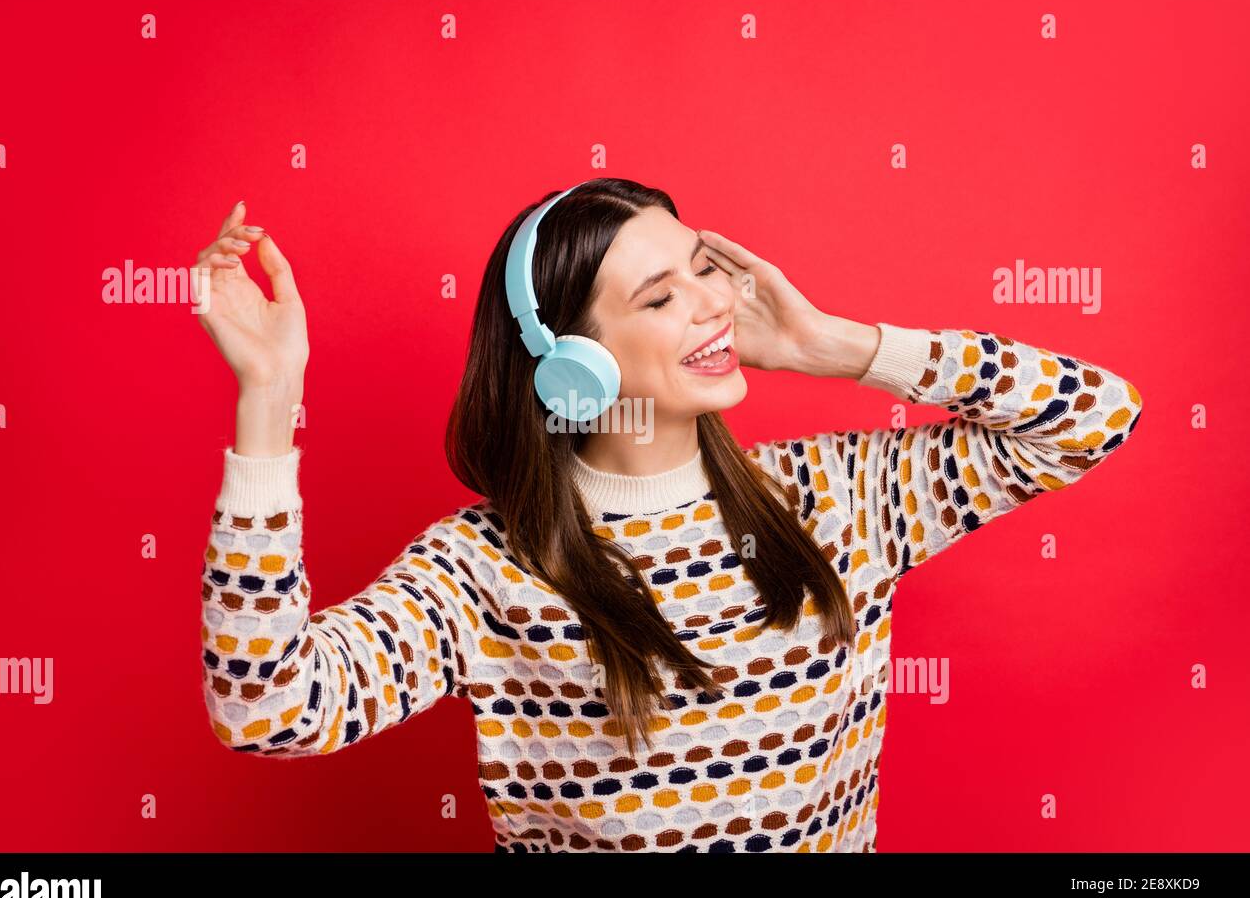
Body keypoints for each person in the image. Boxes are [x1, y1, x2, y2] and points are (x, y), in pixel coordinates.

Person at [194, 177, 1143, 852]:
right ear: (574, 363)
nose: (715, 304)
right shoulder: (483, 570)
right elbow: (267, 710)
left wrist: (835, 345)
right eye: (660, 295)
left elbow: (1096, 416)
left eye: (705, 270)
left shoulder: (839, 498)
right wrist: (271, 400)